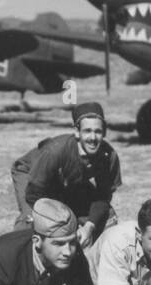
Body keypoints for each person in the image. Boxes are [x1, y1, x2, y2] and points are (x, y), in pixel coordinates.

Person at [10, 102, 121, 249]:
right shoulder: (55, 151)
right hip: (31, 176)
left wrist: (89, 226)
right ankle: (19, 257)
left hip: (66, 180)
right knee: (32, 220)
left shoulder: (108, 156)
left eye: (98, 131)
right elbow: (33, 195)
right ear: (77, 132)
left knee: (107, 217)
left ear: (104, 132)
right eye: (87, 131)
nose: (93, 137)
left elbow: (103, 197)